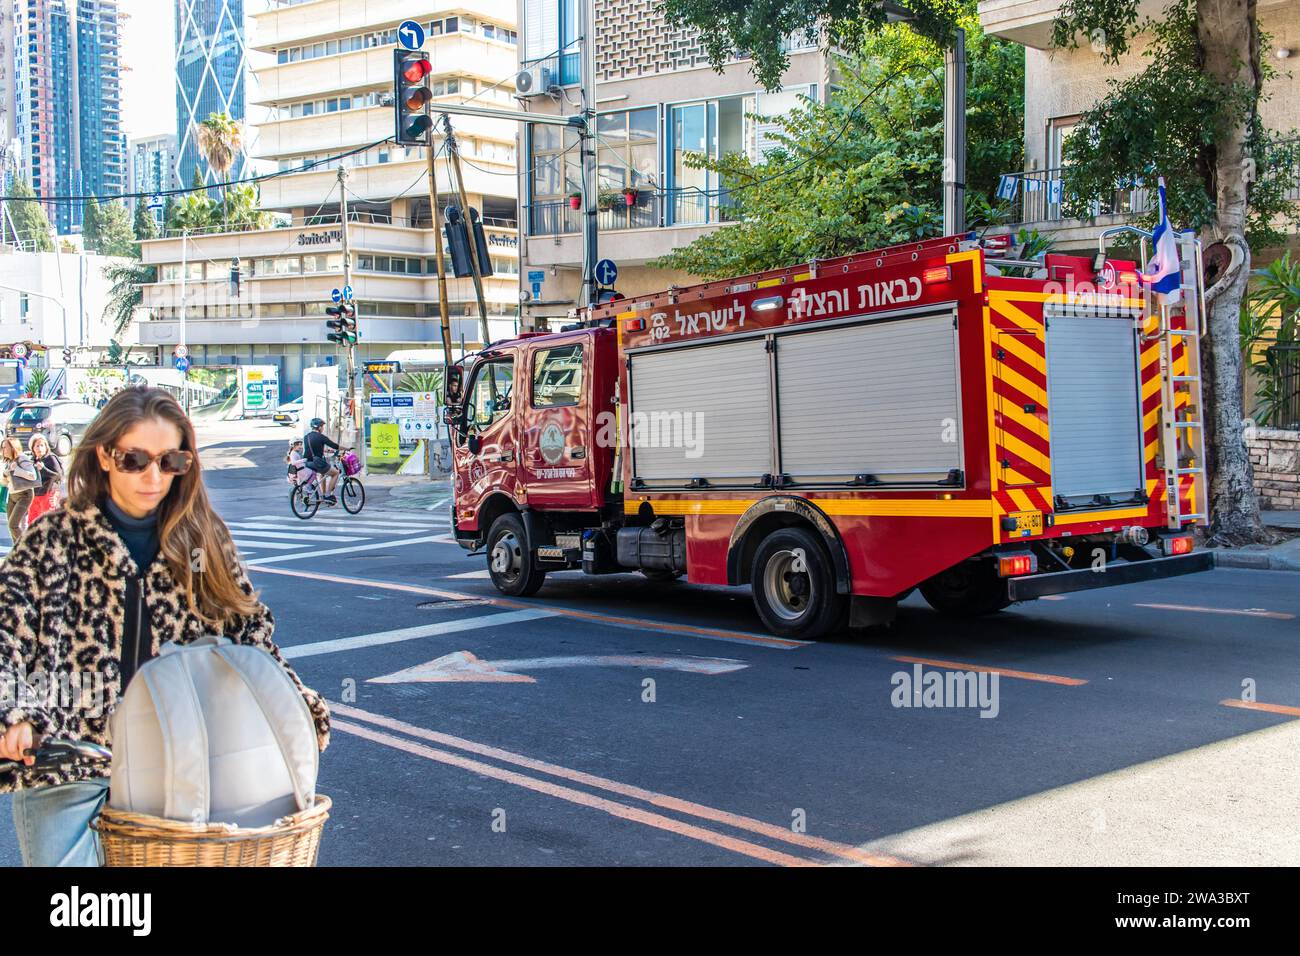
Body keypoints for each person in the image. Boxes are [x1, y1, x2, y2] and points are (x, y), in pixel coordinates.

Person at [0, 386, 331, 867]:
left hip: (182, 756)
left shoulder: (203, 537)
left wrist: (297, 703)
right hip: (70, 761)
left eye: (171, 461)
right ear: (105, 456)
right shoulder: (53, 539)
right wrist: (14, 711)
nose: (154, 476)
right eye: (135, 459)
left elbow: (251, 635)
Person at [1, 437, 40, 546]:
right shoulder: (9, 461)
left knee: (13, 525)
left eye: (5, 447)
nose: (3, 450)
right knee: (11, 526)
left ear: (12, 448)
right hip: (13, 495)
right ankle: (17, 550)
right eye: (2, 447)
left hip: (24, 495)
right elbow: (6, 483)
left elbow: (33, 476)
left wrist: (16, 470)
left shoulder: (22, 459)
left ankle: (25, 549)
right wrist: (5, 475)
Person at [303, 418, 347, 505]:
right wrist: (347, 448)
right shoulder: (321, 437)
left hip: (307, 462)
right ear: (319, 427)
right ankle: (328, 495)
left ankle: (323, 496)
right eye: (322, 426)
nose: (323, 428)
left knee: (322, 474)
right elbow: (335, 446)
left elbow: (312, 449)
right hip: (317, 463)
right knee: (335, 473)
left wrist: (326, 451)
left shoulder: (306, 437)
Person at [25, 433, 63, 525]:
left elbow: (58, 476)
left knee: (48, 523)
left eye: (42, 445)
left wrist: (43, 469)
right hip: (35, 495)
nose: (39, 448)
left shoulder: (51, 458)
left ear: (46, 447)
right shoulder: (33, 460)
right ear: (33, 449)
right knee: (32, 523)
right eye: (37, 446)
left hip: (48, 494)